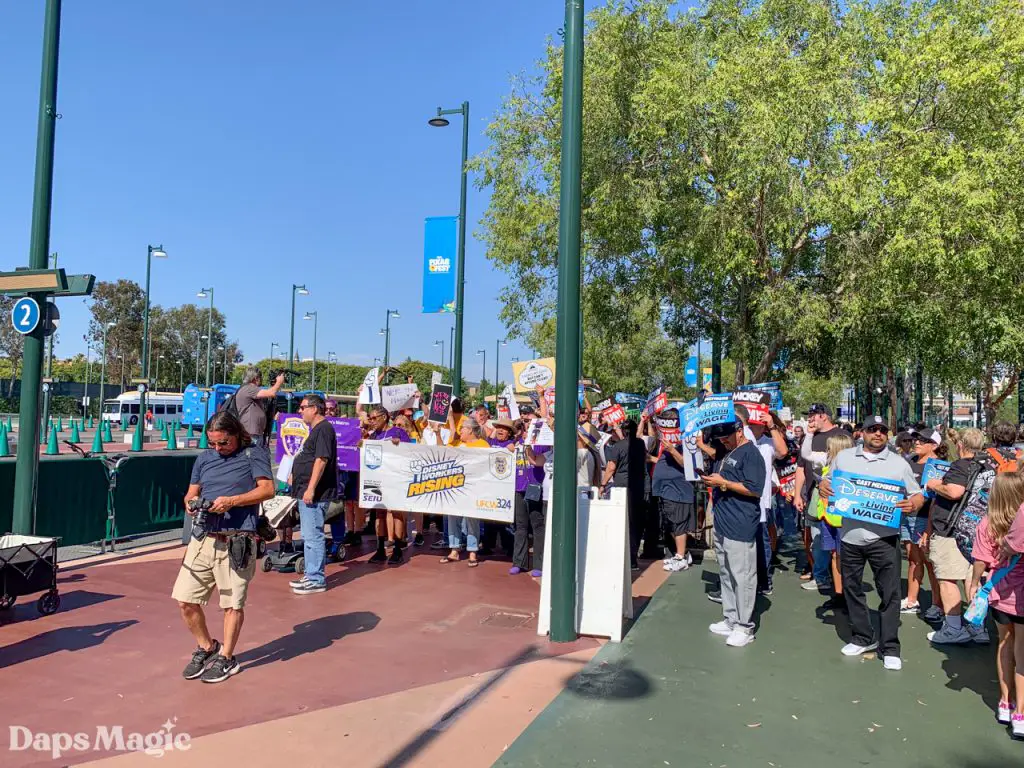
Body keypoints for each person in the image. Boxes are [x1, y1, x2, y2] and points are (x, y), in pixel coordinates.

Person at [173, 410, 274, 683]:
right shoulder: (205, 458)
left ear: (237, 435)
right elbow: (191, 492)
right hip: (204, 539)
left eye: (223, 443)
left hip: (237, 541)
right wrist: (191, 504)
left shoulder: (253, 455)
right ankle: (208, 647)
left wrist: (232, 501)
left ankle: (227, 658)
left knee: (232, 604)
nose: (218, 448)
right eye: (213, 443)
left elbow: (267, 490)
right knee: (185, 599)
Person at [820, 414, 924, 671]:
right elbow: (828, 481)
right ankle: (862, 637)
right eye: (872, 429)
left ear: (887, 434)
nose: (877, 433)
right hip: (850, 537)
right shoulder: (843, 458)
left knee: (890, 593)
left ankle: (890, 646)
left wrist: (913, 505)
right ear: (862, 433)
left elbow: (917, 495)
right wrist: (823, 486)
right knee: (852, 588)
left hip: (884, 537)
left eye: (882, 430)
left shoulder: (899, 464)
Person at [924, 426, 993, 643]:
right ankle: (977, 627)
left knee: (947, 578)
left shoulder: (960, 466)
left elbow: (954, 491)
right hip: (978, 532)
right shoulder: (989, 467)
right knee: (973, 579)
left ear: (960, 445)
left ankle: (953, 628)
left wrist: (934, 484)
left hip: (951, 528)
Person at [968, 472, 1024, 737]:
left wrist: (973, 583)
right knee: (1023, 652)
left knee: (1004, 642)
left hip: (999, 593)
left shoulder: (988, 524)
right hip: (1021, 595)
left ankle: (1005, 701)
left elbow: (980, 560)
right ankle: (1021, 712)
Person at [703, 420, 766, 647]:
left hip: (741, 523)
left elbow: (754, 489)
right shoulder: (729, 451)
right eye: (721, 439)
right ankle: (731, 618)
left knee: (743, 576)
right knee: (727, 573)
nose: (724, 442)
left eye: (727, 438)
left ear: (739, 431)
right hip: (723, 521)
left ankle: (744, 626)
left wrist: (725, 483)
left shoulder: (751, 454)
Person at [793, 404, 849, 594]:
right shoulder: (811, 440)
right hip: (817, 501)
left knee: (840, 548)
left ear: (823, 416)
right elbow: (803, 462)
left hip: (842, 505)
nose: (809, 419)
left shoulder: (843, 436)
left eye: (812, 415)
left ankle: (841, 584)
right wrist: (797, 493)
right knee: (819, 541)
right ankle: (821, 577)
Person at [287, 394, 337, 595]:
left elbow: (321, 459)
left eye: (302, 407)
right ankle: (311, 574)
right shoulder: (315, 430)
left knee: (313, 535)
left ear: (315, 408)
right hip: (305, 491)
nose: (300, 410)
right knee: (308, 535)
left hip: (315, 495)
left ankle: (316, 578)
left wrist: (311, 488)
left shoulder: (323, 429)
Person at [361, 405, 411, 565]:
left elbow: (410, 452)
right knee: (379, 513)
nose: (372, 421)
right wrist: (360, 444)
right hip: (376, 479)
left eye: (375, 418)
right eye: (370, 418)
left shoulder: (397, 432)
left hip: (395, 478)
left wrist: (399, 445)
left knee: (395, 512)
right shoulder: (374, 435)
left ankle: (397, 548)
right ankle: (380, 548)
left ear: (384, 417)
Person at [899, 428, 942, 615]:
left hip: (927, 518)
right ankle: (911, 600)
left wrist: (929, 528)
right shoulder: (908, 463)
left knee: (930, 562)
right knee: (912, 559)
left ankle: (937, 604)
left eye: (922, 440)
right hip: (907, 517)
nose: (916, 443)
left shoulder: (939, 467)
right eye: (915, 439)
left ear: (934, 445)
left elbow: (937, 499)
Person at [602, 419, 651, 571]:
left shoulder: (618, 446)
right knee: (636, 522)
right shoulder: (640, 444)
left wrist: (603, 484)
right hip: (639, 486)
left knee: (623, 522)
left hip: (622, 487)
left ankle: (625, 557)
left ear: (623, 431)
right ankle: (633, 557)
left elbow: (611, 467)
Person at [651, 408, 697, 573]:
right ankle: (682, 553)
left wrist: (671, 449)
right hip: (666, 489)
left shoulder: (687, 440)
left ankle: (680, 557)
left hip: (678, 490)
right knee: (670, 523)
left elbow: (688, 464)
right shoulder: (666, 441)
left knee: (678, 524)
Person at [440, 420, 489, 566]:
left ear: (470, 430)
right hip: (455, 485)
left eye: (463, 429)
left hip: (474, 486)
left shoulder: (483, 445)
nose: (460, 431)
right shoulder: (457, 444)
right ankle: (454, 549)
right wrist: (437, 432)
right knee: (452, 517)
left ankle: (472, 551)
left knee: (472, 519)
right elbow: (440, 450)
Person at [511, 407, 547, 577]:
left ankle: (539, 563)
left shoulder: (543, 443)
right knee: (520, 526)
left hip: (535, 486)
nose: (526, 425)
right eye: (525, 422)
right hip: (519, 487)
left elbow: (538, 461)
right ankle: (519, 562)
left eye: (529, 421)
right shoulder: (517, 442)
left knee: (537, 525)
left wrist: (530, 445)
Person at [232, 367, 286, 446]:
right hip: (251, 433)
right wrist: (279, 382)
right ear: (256, 378)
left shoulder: (247, 388)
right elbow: (271, 393)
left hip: (253, 432)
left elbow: (268, 396)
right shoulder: (249, 388)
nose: (261, 380)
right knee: (253, 456)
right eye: (260, 377)